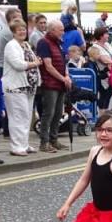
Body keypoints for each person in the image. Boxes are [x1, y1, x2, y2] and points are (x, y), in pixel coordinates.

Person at [3, 19, 41, 157]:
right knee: (17, 117)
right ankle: (16, 146)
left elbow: (34, 60)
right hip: (15, 86)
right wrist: (34, 63)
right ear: (13, 32)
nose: (22, 32)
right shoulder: (11, 45)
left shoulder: (25, 44)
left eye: (24, 29)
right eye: (18, 30)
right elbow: (18, 64)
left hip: (28, 87)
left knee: (26, 116)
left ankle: (24, 144)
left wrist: (35, 63)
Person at [36, 20, 71, 153]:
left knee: (58, 113)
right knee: (48, 113)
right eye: (60, 30)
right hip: (49, 83)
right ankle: (44, 142)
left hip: (60, 83)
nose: (63, 32)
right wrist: (63, 78)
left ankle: (53, 140)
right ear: (52, 30)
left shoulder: (59, 43)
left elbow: (63, 62)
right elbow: (48, 66)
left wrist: (66, 76)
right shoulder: (44, 43)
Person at [88, 27, 112, 111]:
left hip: (111, 73)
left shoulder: (107, 44)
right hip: (102, 75)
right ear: (101, 36)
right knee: (104, 94)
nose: (108, 35)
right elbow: (104, 60)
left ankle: (105, 112)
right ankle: (102, 114)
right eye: (106, 34)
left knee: (109, 93)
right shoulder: (95, 47)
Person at [0, 8, 22, 79]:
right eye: (17, 18)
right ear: (11, 19)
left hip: (4, 66)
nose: (20, 20)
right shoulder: (9, 32)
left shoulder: (9, 30)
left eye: (21, 17)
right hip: (5, 67)